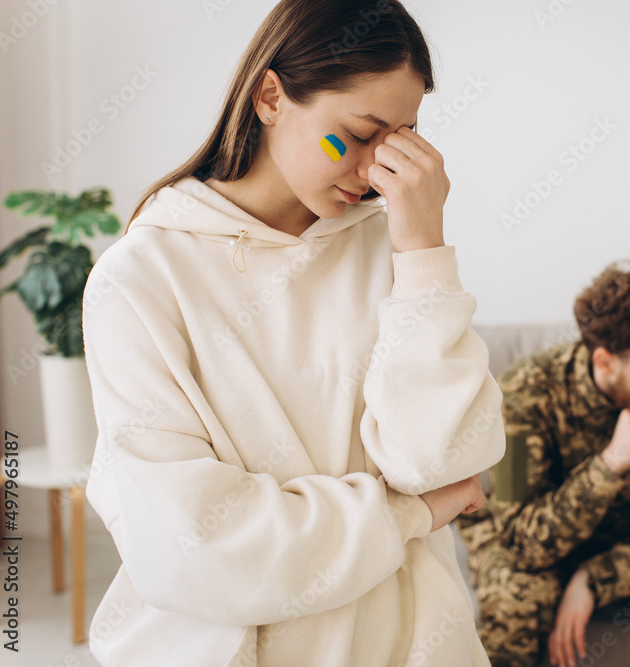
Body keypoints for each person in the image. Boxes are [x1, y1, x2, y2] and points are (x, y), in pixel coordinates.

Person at [81, 1, 504, 665]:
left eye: (400, 140)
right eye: (359, 133)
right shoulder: (138, 280)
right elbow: (192, 548)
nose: (373, 172)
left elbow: (444, 462)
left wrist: (423, 250)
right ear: (270, 95)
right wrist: (407, 514)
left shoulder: (396, 245)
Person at [457, 258, 630, 667]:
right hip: (535, 541)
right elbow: (523, 543)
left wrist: (596, 578)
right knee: (518, 600)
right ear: (606, 362)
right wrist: (608, 466)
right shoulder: (527, 391)